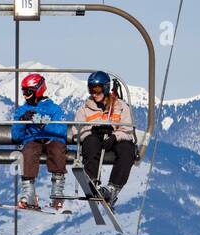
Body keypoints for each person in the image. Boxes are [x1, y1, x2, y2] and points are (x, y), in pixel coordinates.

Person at [75, 71, 137, 208]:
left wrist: (115, 136)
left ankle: (112, 189)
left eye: (97, 89)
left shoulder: (120, 107)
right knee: (91, 142)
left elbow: (128, 130)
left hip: (114, 140)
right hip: (95, 141)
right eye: (91, 89)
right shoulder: (84, 109)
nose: (94, 93)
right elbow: (77, 131)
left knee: (127, 149)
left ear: (106, 87)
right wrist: (92, 130)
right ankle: (92, 181)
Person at [11, 73, 68, 210]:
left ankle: (57, 192)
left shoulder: (53, 108)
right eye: (23, 91)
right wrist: (22, 121)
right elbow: (16, 136)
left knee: (57, 150)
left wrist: (44, 124)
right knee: (28, 152)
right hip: (33, 139)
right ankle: (29, 193)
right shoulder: (22, 110)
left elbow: (61, 130)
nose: (25, 95)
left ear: (38, 90)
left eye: (28, 92)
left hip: (51, 138)